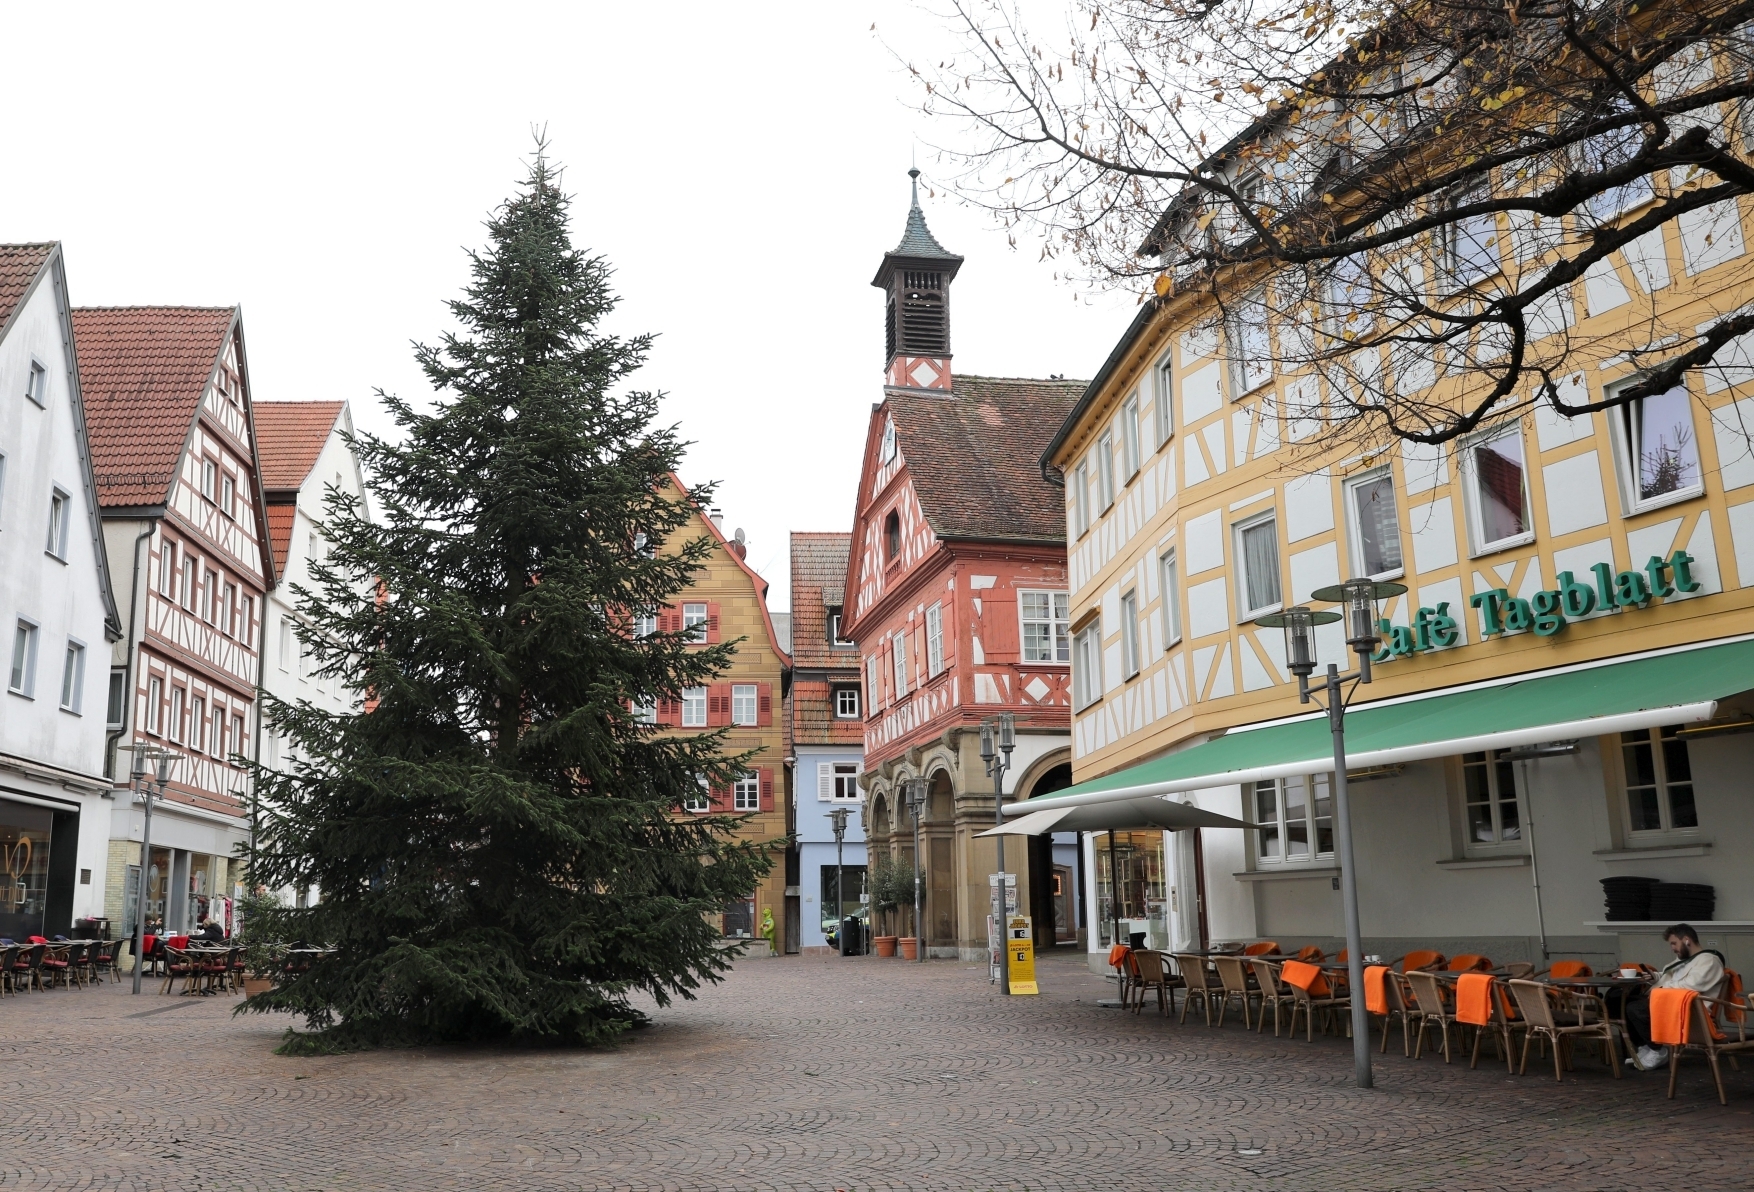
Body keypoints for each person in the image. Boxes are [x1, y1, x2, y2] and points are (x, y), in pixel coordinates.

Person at [1623, 923, 1727, 1071]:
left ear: (1686, 940)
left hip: (1687, 1007)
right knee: (1620, 1001)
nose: (1672, 948)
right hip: (1669, 1001)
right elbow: (1671, 976)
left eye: (1674, 943)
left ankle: (1657, 1051)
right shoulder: (1684, 959)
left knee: (1636, 1008)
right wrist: (1655, 977)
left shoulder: (1709, 960)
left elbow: (1691, 985)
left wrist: (1660, 990)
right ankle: (1645, 1047)